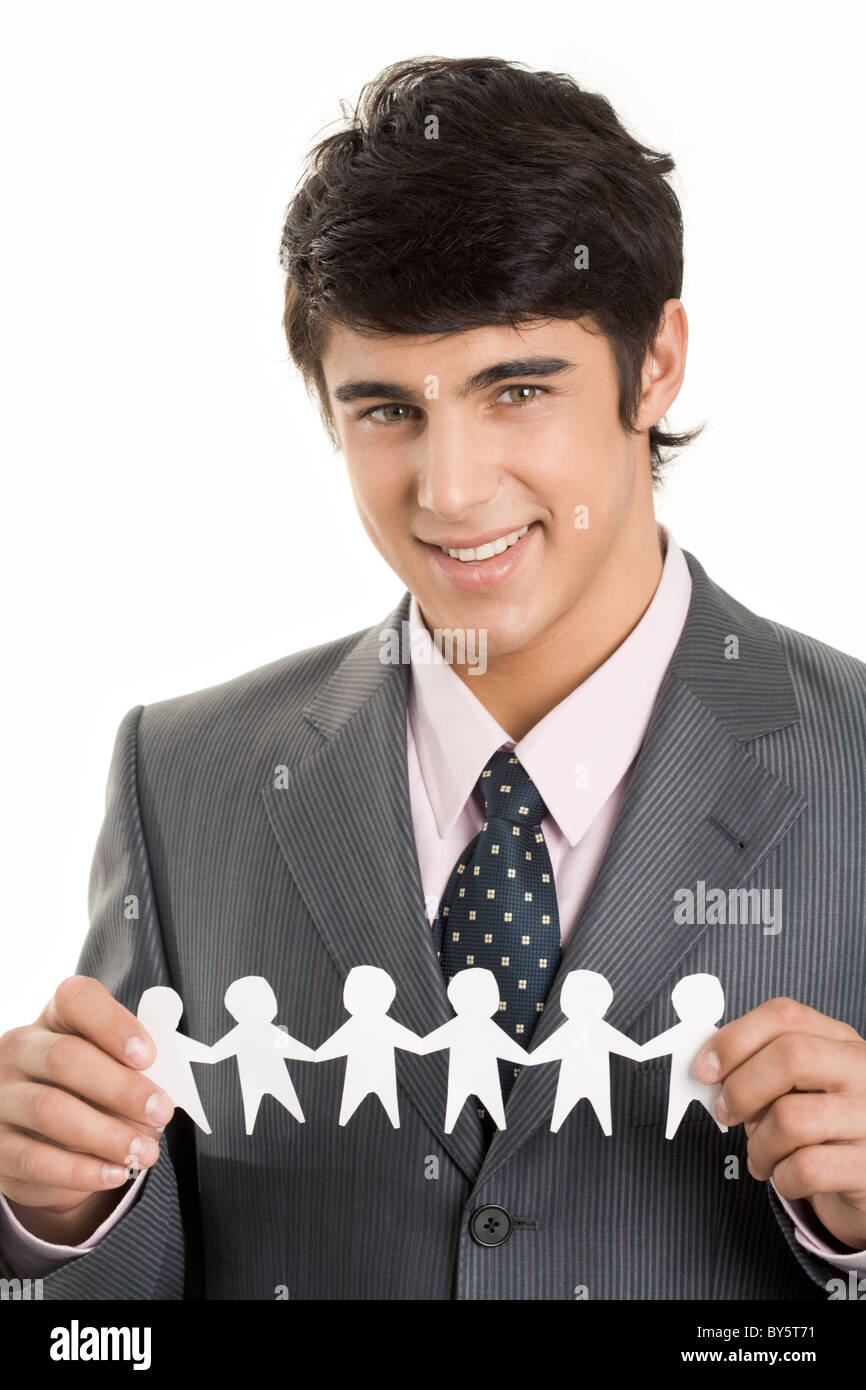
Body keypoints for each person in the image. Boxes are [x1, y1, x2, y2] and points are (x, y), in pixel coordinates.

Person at [0, 55, 864, 1301]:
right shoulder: (182, 781)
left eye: (516, 390)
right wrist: (57, 1220)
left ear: (656, 363)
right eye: (386, 409)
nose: (450, 490)